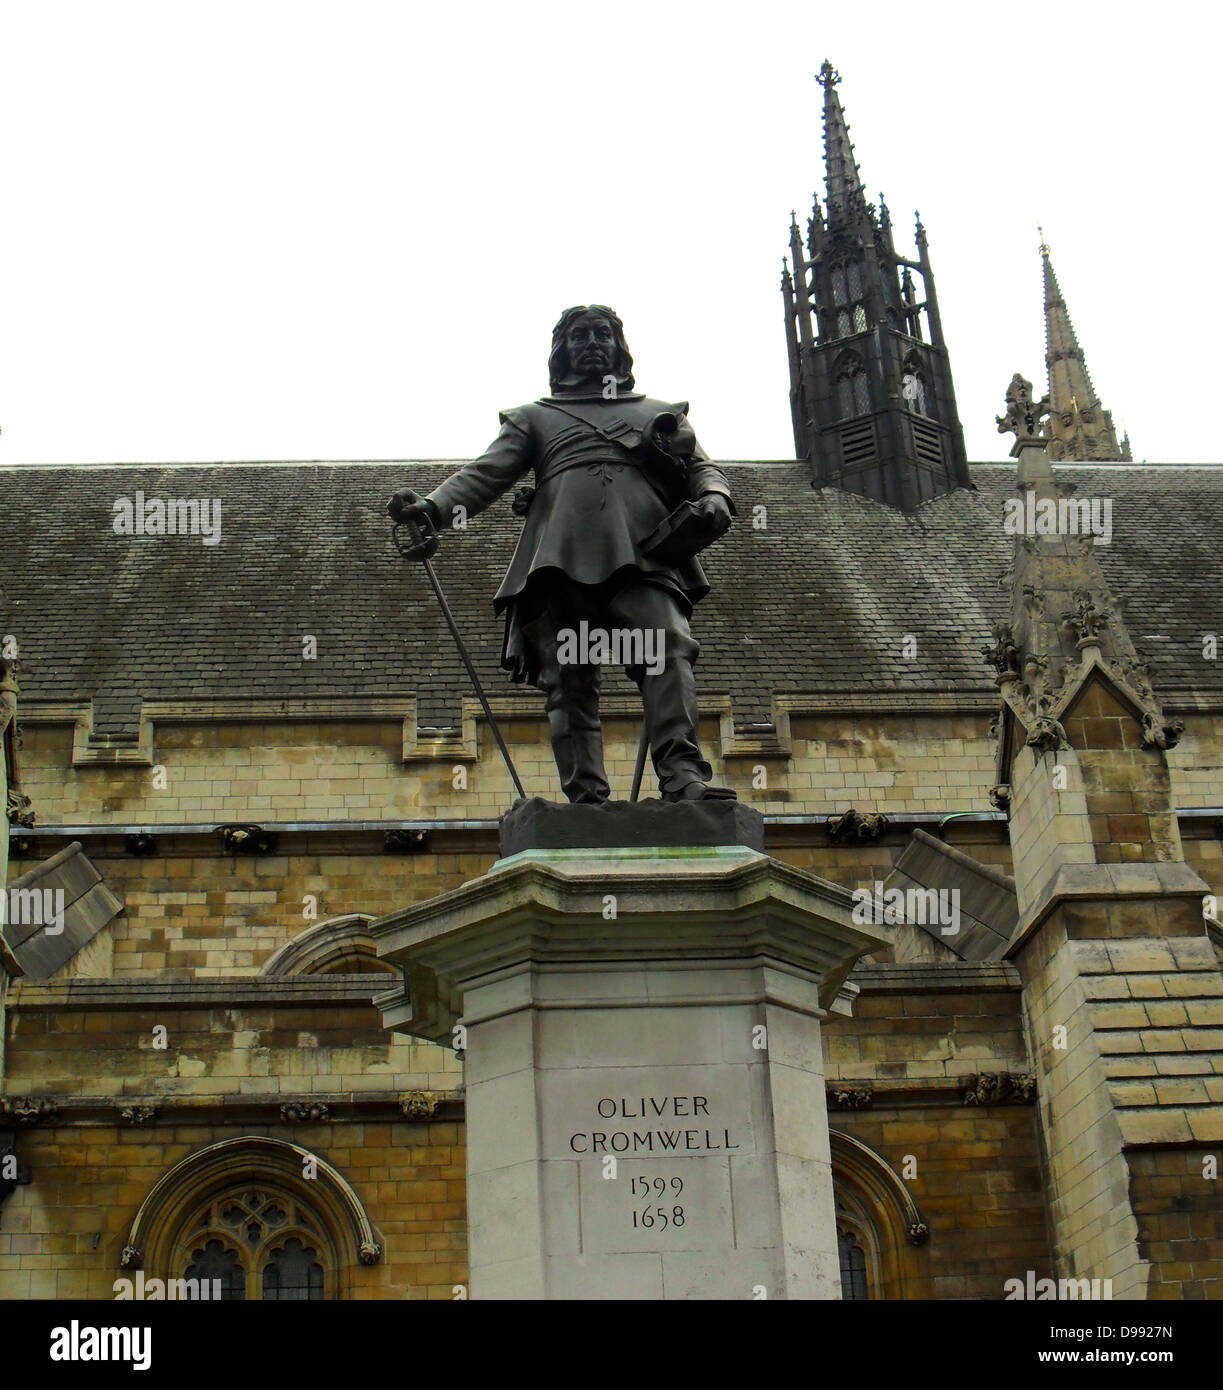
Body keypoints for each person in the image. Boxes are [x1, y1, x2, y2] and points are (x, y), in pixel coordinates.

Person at [387, 304, 735, 804]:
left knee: (668, 644)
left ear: (619, 346)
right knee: (570, 676)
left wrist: (716, 498)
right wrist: (434, 506)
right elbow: (486, 474)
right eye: (579, 336)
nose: (592, 343)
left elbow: (704, 469)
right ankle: (586, 800)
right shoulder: (535, 418)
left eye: (602, 334)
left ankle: (683, 777)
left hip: (644, 553)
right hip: (558, 558)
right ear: (562, 352)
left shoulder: (659, 413)